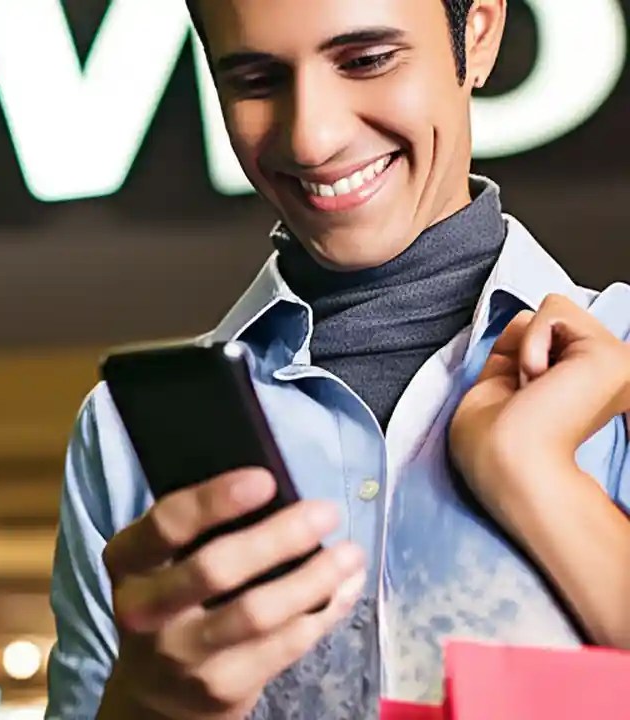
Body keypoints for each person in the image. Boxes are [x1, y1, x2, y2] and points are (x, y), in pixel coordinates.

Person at [45, 0, 630, 718]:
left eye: (366, 60)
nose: (313, 137)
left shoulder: (620, 353)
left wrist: (533, 475)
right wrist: (147, 704)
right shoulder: (122, 433)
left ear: (477, 33)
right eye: (256, 79)